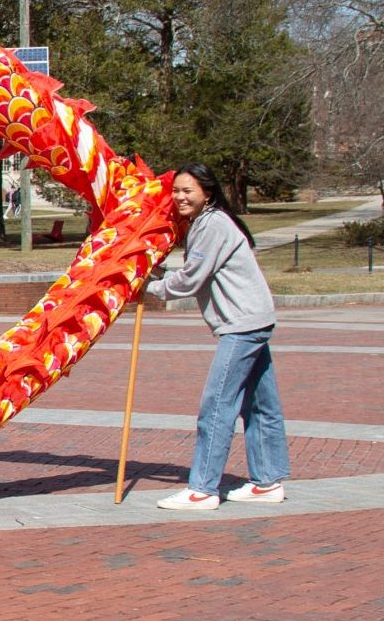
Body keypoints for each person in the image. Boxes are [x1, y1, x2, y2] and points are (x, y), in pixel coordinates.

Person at [150, 163, 291, 511]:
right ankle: (267, 481)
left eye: (188, 191)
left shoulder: (212, 224)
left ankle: (203, 488)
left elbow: (190, 279)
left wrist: (147, 286)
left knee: (217, 405)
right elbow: (192, 272)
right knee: (260, 405)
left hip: (242, 326)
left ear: (207, 192)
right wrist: (157, 273)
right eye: (177, 191)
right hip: (253, 320)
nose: (180, 197)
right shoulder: (209, 223)